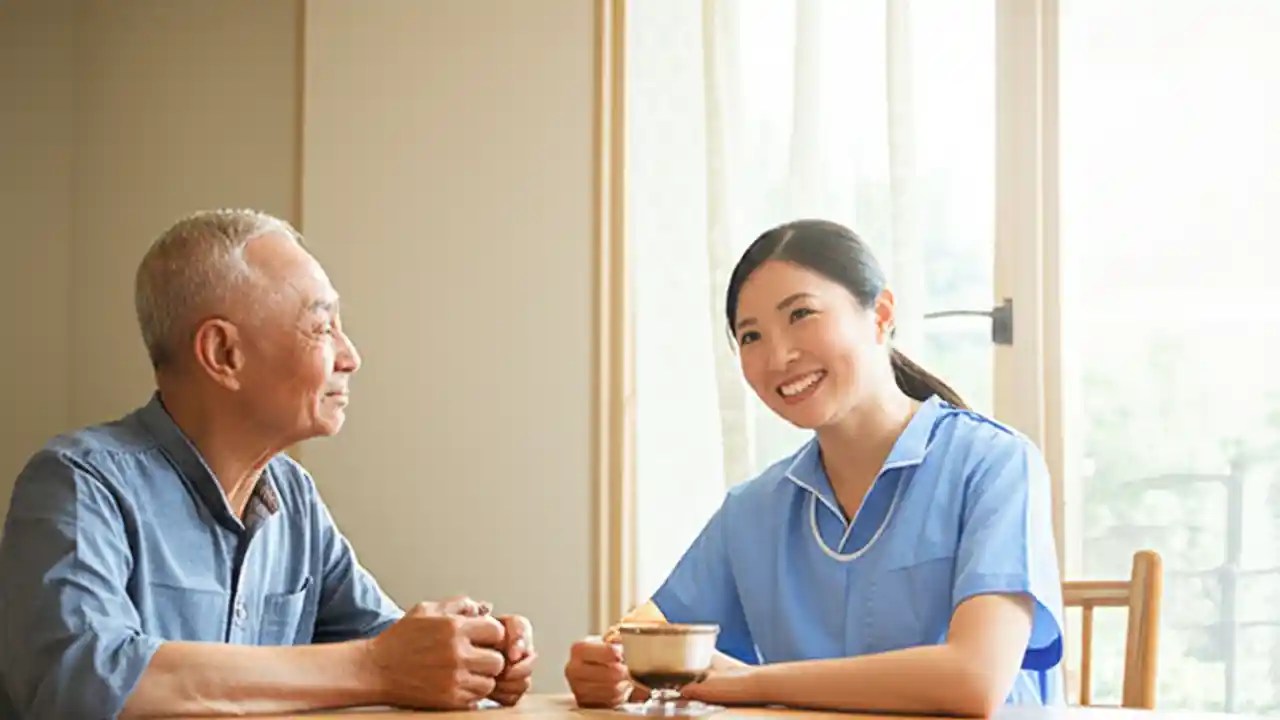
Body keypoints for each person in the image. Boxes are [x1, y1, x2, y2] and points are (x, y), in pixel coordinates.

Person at [0, 209, 536, 718]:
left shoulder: (293, 496)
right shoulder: (80, 481)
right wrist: (377, 667)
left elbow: (393, 653)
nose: (350, 356)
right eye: (323, 327)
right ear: (224, 354)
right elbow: (79, 681)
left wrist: (477, 660)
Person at [565, 219, 1064, 716]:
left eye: (801, 313)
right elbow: (647, 636)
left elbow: (973, 680)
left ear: (880, 314)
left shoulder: (993, 463)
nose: (779, 355)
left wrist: (749, 683)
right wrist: (609, 668)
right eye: (752, 335)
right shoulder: (754, 509)